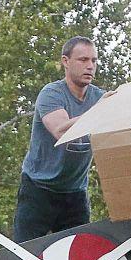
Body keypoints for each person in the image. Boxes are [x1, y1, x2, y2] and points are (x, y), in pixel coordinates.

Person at [13, 36, 104, 242]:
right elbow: (62, 132)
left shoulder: (100, 99)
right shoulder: (51, 94)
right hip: (38, 190)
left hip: (75, 193)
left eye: (94, 61)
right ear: (65, 61)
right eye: (83, 60)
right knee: (24, 257)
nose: (90, 66)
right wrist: (102, 113)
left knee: (80, 259)